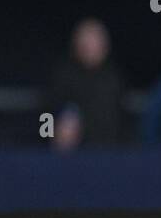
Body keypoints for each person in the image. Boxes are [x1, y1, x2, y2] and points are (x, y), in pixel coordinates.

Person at [44, 18, 126, 148]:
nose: (90, 47)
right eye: (86, 42)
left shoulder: (114, 78)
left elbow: (116, 120)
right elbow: (46, 114)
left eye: (95, 42)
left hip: (106, 153)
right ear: (76, 44)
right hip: (67, 156)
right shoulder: (61, 76)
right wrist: (53, 132)